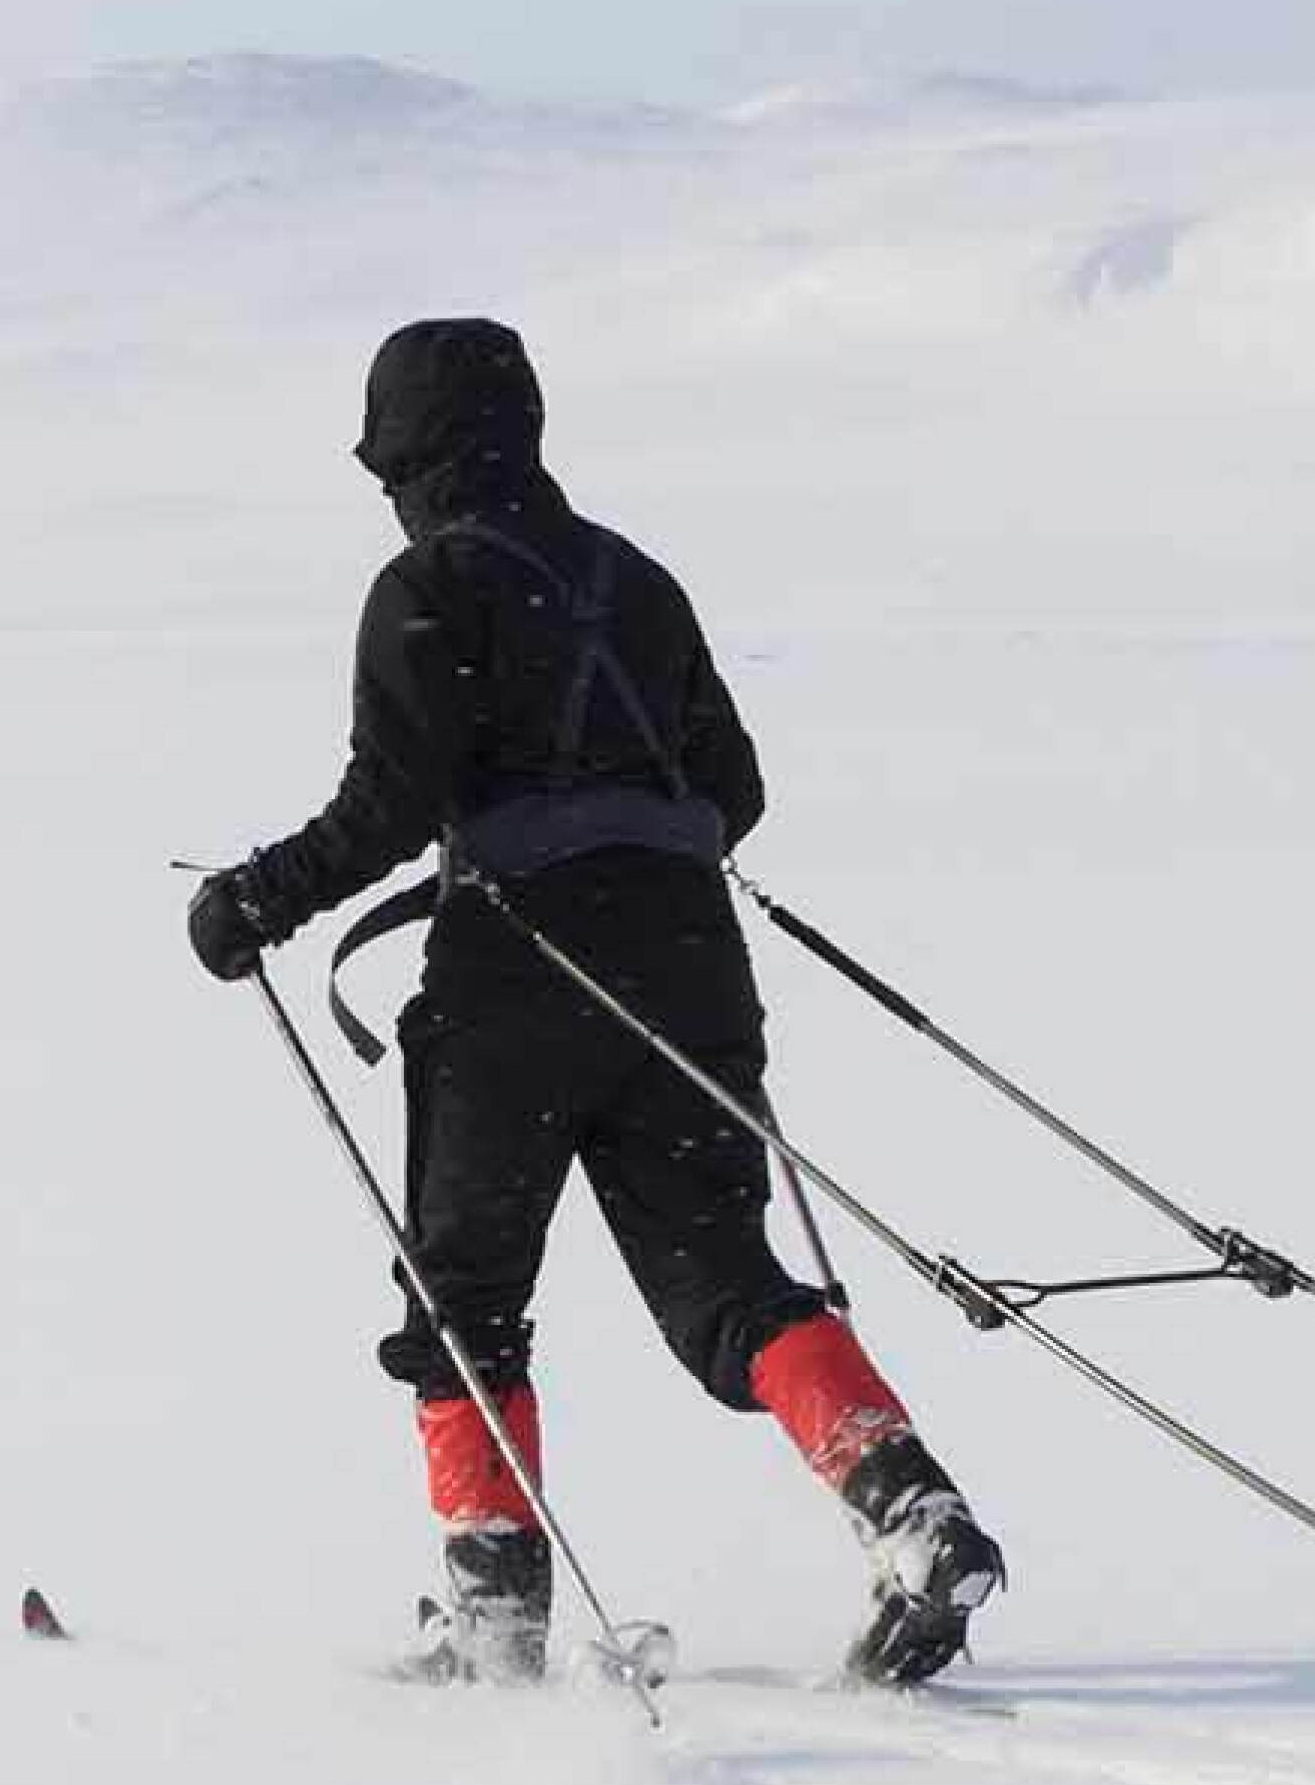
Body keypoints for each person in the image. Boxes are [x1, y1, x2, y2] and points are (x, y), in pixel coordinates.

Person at [183, 316, 1007, 1690]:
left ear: (410, 453)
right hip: (688, 977)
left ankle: (496, 1619)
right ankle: (914, 1513)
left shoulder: (425, 589)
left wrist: (252, 900)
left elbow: (386, 807)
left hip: (513, 991)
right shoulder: (637, 583)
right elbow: (731, 793)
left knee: (463, 1297)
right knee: (726, 1284)